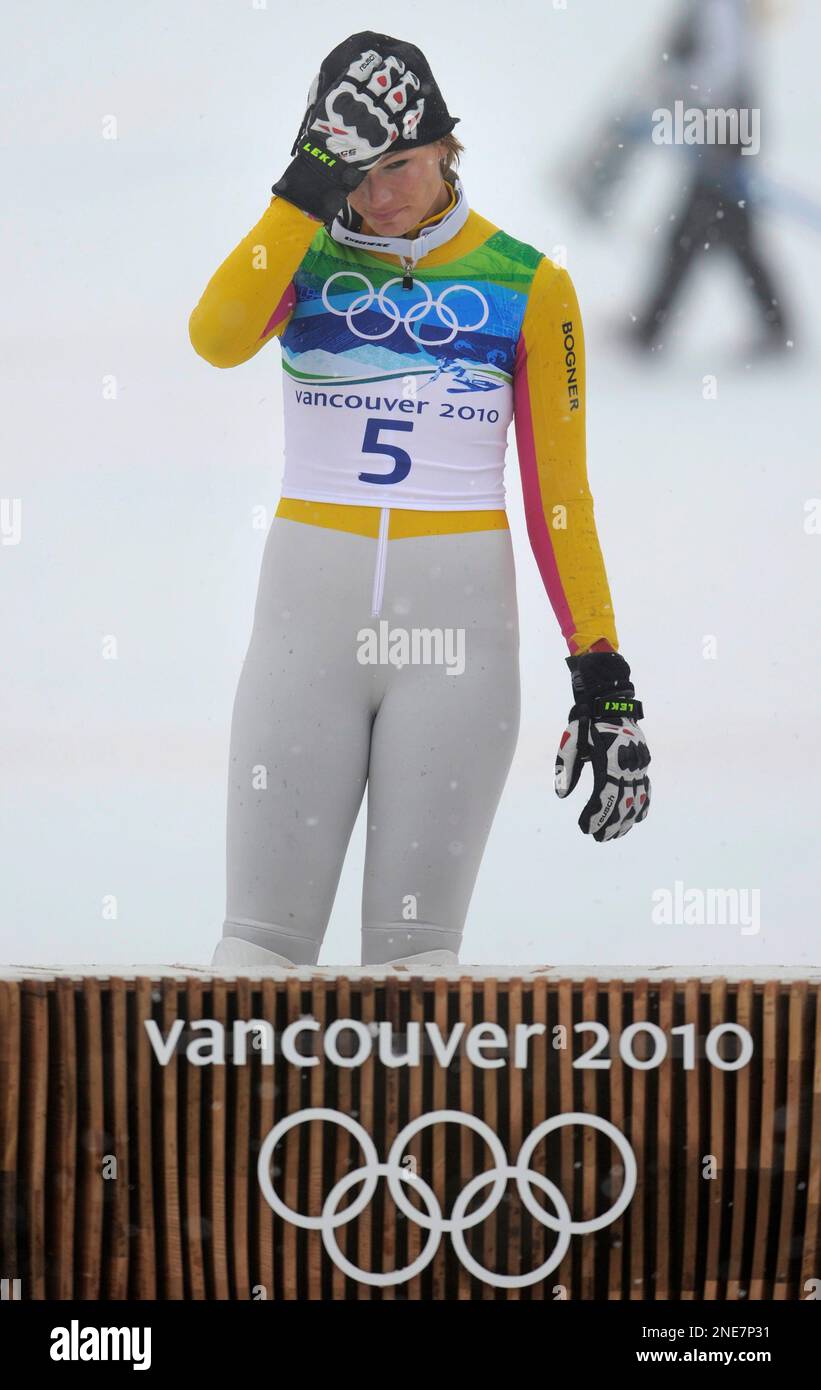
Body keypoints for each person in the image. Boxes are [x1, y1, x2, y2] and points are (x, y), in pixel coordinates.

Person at [188, 31, 651, 970]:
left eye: (399, 163)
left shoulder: (529, 282)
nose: (378, 194)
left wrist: (601, 669)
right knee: (254, 965)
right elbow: (216, 336)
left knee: (414, 978)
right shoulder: (302, 256)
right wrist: (297, 195)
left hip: (457, 647)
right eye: (354, 173)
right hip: (303, 637)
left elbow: (560, 496)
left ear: (447, 147)